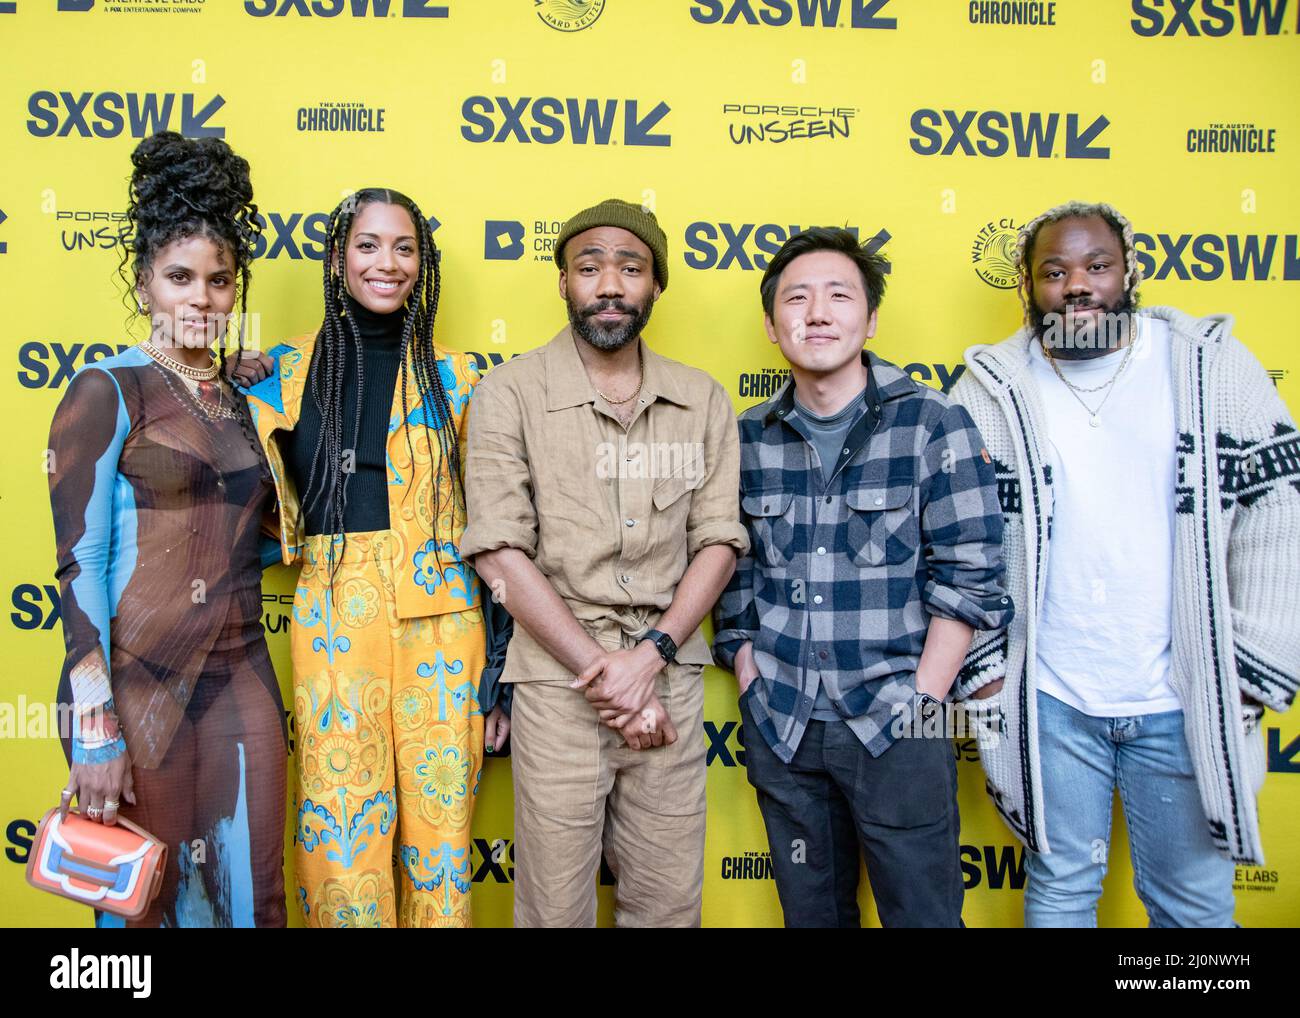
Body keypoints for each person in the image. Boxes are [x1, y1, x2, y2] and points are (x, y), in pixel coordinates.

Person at [948, 200, 1300, 927]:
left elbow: (1279, 510)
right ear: (1027, 285)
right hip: (1048, 697)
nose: (1077, 285)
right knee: (1060, 886)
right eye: (1054, 271)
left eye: (1096, 266)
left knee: (1193, 907)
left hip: (1182, 694)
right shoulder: (990, 390)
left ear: (1129, 272)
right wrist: (985, 672)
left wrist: (1250, 666)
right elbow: (954, 537)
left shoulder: (1207, 368)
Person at [712, 227, 1012, 928]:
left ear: (870, 319)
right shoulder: (747, 436)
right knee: (811, 918)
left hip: (899, 721)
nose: (817, 313)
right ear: (771, 324)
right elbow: (730, 566)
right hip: (783, 721)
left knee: (925, 916)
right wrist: (750, 667)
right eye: (798, 298)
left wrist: (923, 699)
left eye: (839, 295)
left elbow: (972, 573)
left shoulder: (932, 423)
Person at [461, 198, 748, 927]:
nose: (610, 284)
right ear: (564, 283)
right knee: (554, 910)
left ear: (656, 286)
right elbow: (499, 550)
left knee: (666, 906)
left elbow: (718, 541)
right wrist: (607, 674)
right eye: (589, 268)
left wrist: (648, 659)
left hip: (669, 684)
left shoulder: (702, 399)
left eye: (631, 267)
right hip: (557, 686)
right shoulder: (509, 394)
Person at [242, 188, 505, 928]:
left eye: (403, 248)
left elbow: (501, 529)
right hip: (331, 611)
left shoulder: (463, 378)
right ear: (336, 257)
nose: (386, 263)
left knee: (441, 835)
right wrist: (230, 380)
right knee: (339, 828)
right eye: (367, 245)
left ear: (423, 265)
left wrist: (506, 668)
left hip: (447, 621)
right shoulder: (280, 373)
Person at [47, 131, 286, 927]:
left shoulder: (248, 397)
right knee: (142, 905)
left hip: (241, 677)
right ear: (145, 280)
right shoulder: (106, 388)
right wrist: (95, 731)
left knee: (253, 897)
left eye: (220, 281)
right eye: (180, 277)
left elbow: (281, 528)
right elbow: (79, 566)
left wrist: (266, 383)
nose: (202, 299)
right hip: (134, 687)